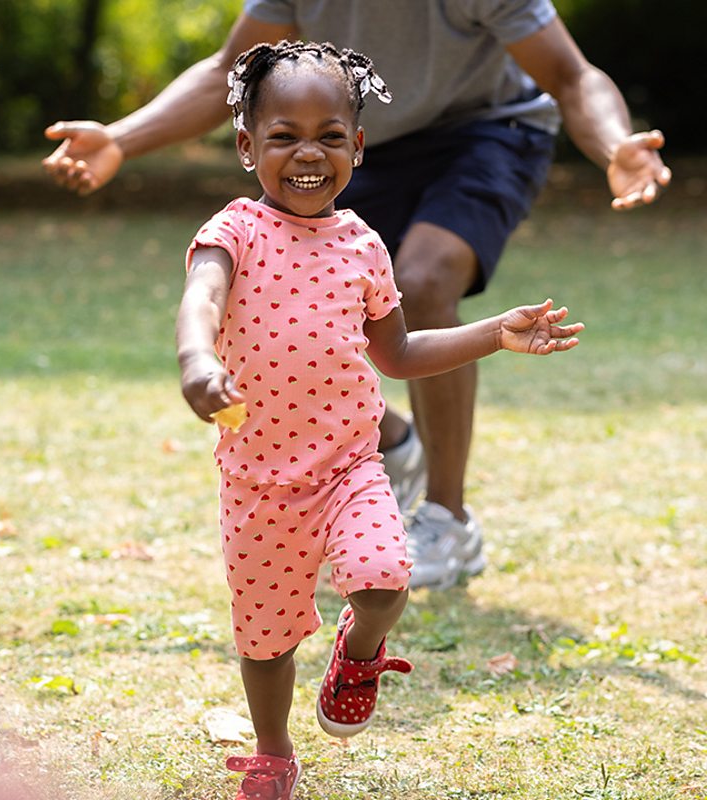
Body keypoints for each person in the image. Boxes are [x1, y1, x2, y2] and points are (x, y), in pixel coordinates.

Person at [43, 0, 669, 590]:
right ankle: (389, 441)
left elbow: (569, 73)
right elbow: (225, 73)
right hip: (347, 141)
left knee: (422, 283)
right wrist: (121, 138)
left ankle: (448, 521)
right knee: (288, 293)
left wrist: (614, 144)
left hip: (484, 131)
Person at [176, 40, 583, 799]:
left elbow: (396, 351)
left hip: (349, 467)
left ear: (357, 147)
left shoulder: (362, 246)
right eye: (283, 136)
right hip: (257, 482)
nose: (309, 153)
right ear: (245, 146)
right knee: (264, 641)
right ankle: (273, 752)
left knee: (384, 578)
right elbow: (201, 297)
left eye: (330, 136)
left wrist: (493, 332)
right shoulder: (234, 229)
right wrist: (198, 361)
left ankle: (357, 655)